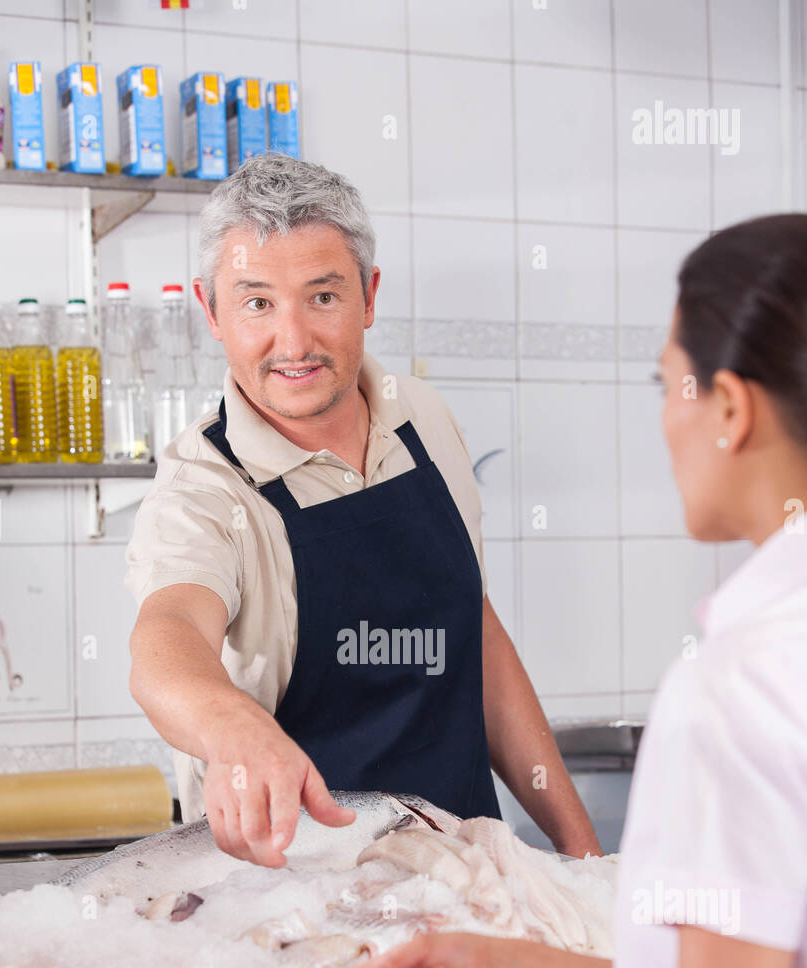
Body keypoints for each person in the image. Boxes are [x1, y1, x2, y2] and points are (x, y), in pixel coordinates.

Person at [301, 213, 807, 968]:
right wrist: (505, 967)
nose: (664, 421)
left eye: (664, 383)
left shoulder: (742, 684)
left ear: (727, 408)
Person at [126, 154, 599, 867]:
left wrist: (582, 852)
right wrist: (230, 727)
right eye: (257, 302)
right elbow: (166, 644)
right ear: (212, 311)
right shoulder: (203, 487)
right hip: (297, 909)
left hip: (467, 879)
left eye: (322, 297)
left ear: (369, 297)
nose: (293, 344)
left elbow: (475, 631)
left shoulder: (423, 420)